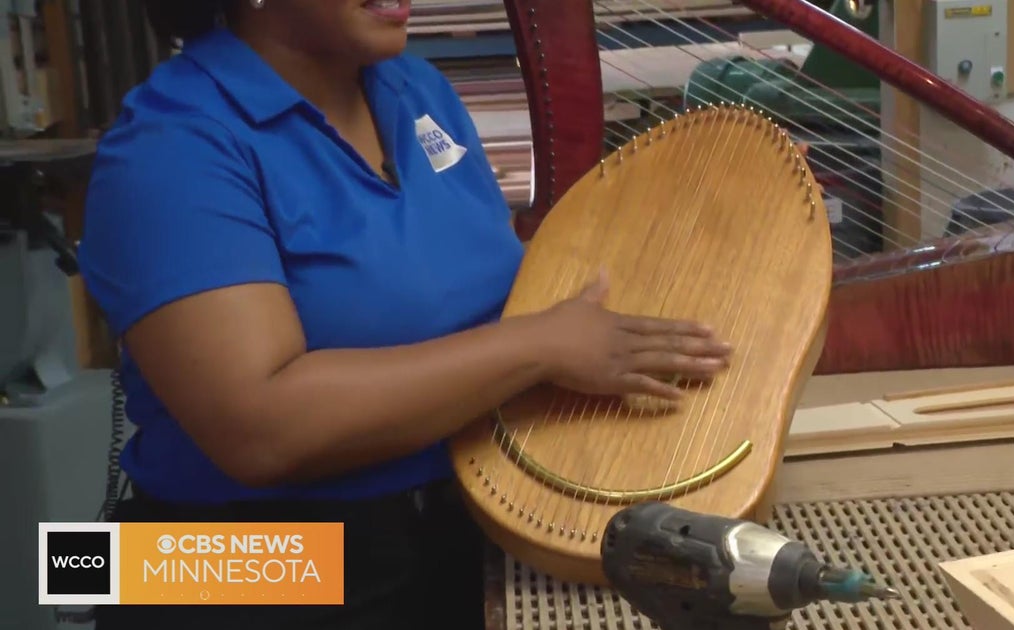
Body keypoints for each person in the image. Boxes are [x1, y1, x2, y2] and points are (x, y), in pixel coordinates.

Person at [77, 0, 732, 628]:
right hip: (239, 564)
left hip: (457, 525)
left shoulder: (413, 87)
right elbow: (259, 431)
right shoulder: (167, 145)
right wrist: (540, 345)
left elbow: (449, 280)